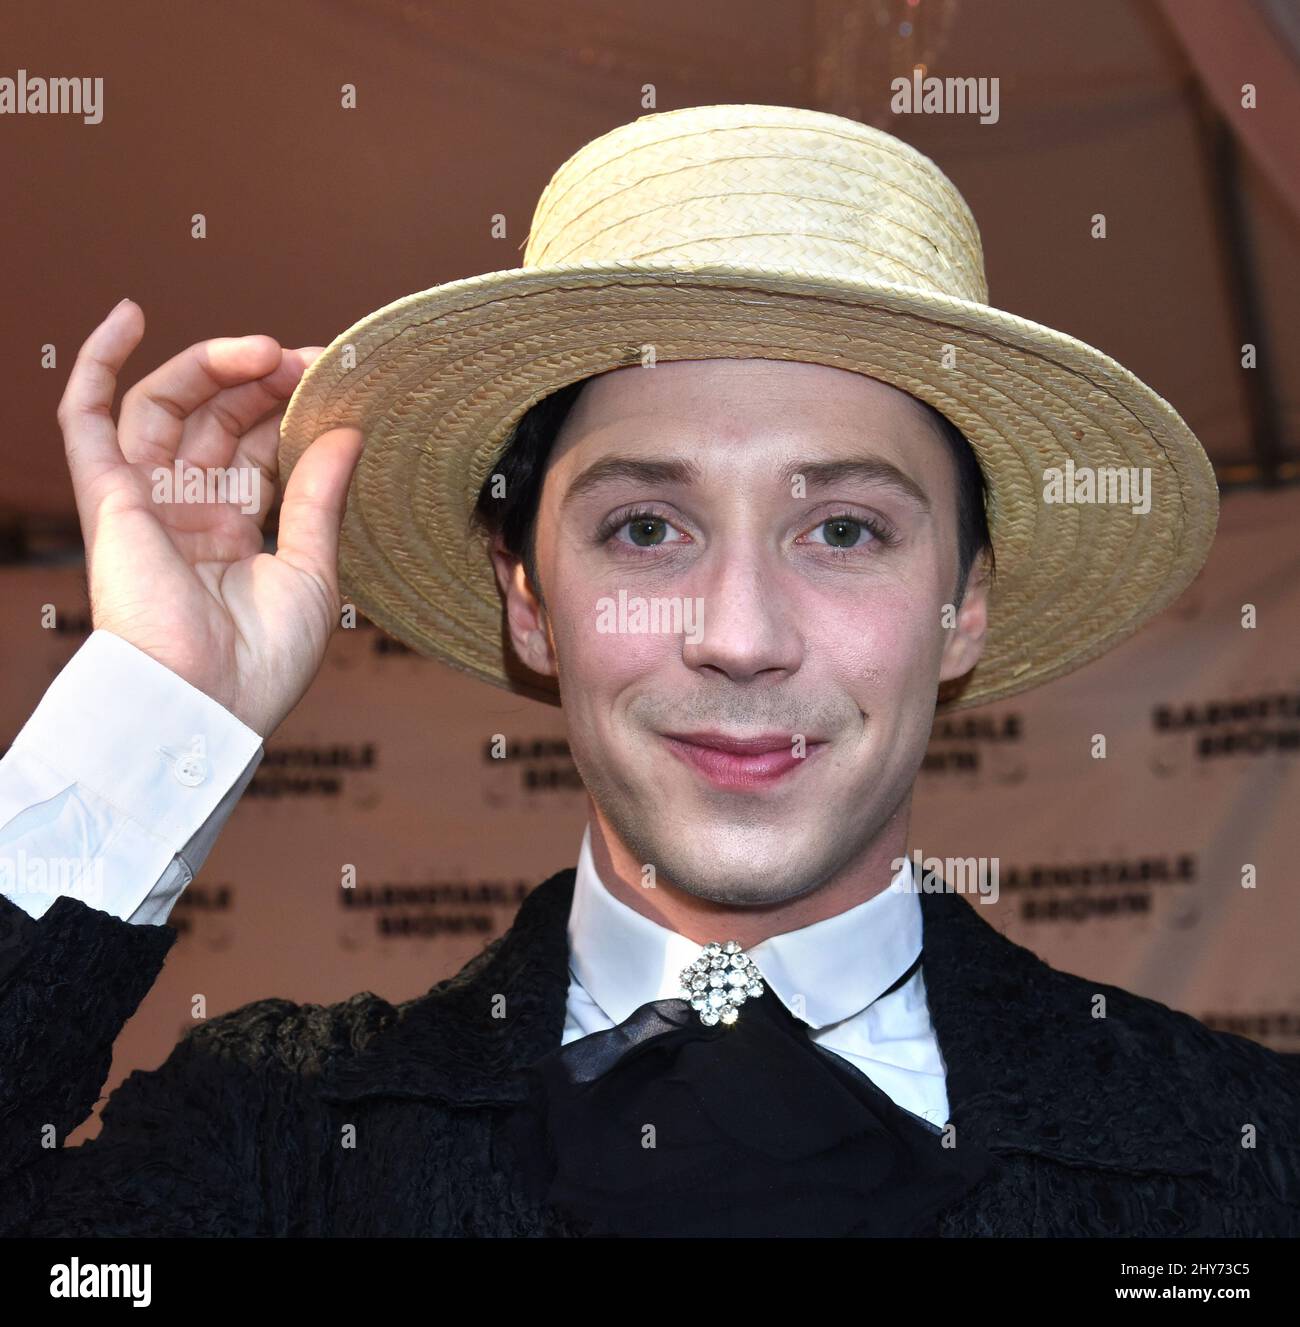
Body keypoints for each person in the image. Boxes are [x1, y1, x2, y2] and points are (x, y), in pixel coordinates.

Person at [1, 103, 1296, 1238]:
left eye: (843, 529)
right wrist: (152, 715)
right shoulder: (276, 1144)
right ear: (530, 602)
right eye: (646, 528)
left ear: (963, 606)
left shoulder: (1250, 1161)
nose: (740, 634)